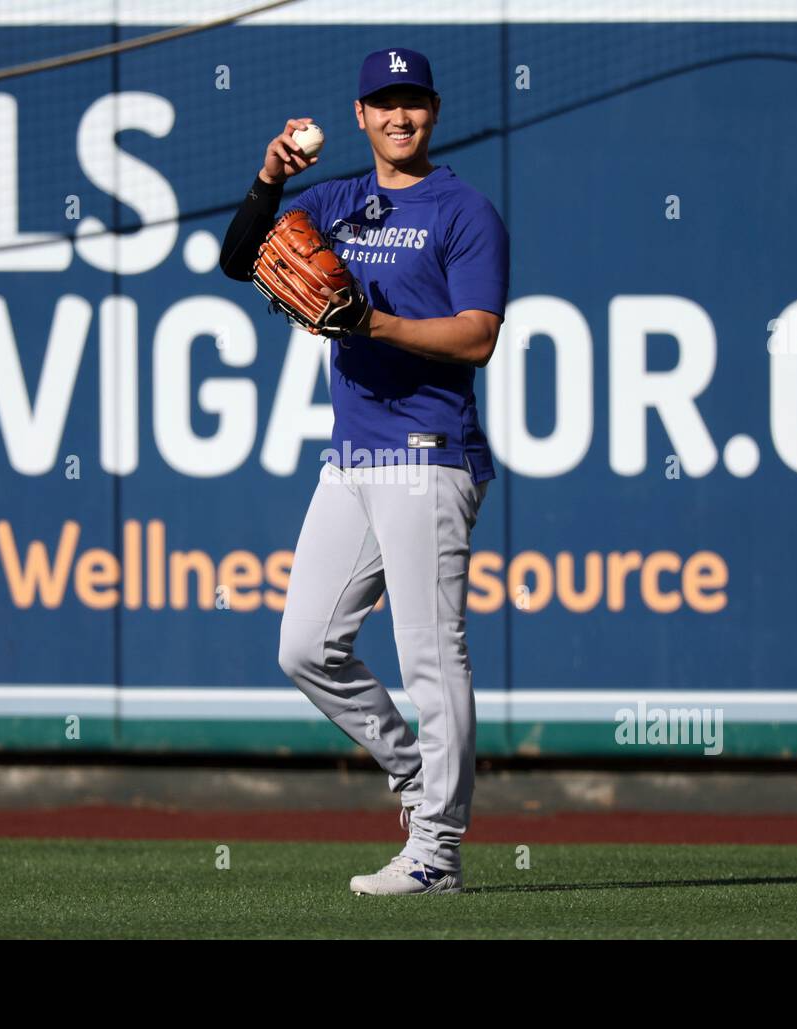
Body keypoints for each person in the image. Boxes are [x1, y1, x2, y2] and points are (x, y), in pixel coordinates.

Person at [219, 47, 510, 895]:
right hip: (351, 459)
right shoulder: (339, 202)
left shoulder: (465, 211)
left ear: (434, 109)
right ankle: (419, 781)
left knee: (431, 655)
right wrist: (269, 180)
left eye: (412, 100)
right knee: (304, 645)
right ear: (360, 115)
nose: (399, 115)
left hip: (428, 453)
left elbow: (477, 337)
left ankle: (436, 851)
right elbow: (241, 260)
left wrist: (374, 326)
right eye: (384, 102)